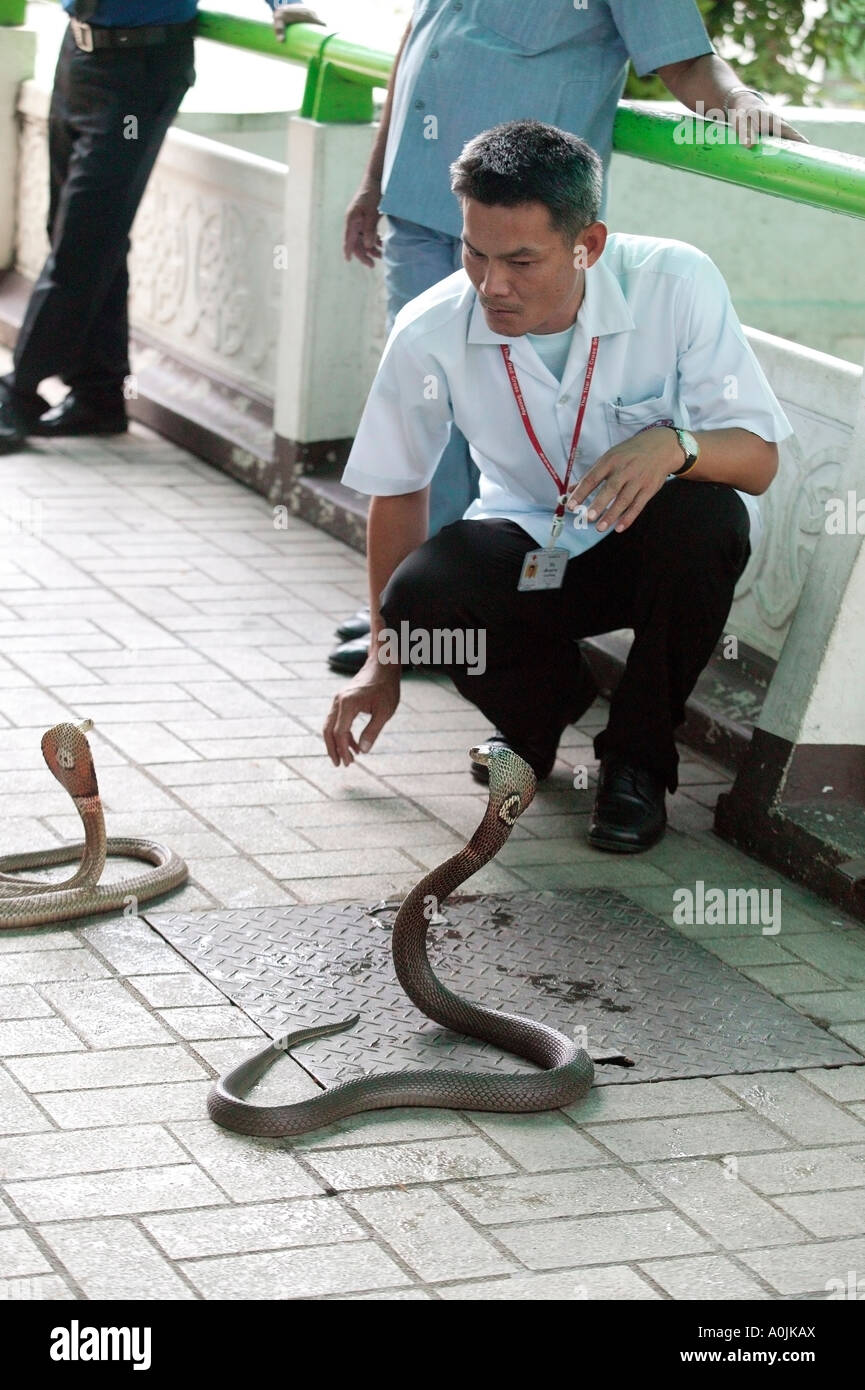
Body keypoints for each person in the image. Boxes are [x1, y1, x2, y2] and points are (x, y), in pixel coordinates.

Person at [324, 120, 792, 853]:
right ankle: (539, 720)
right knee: (423, 595)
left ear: (588, 245)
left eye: (520, 261)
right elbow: (398, 490)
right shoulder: (430, 328)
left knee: (709, 520)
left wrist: (673, 447)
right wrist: (384, 663)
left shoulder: (675, 283)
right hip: (528, 544)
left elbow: (758, 460)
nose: (492, 285)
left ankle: (636, 762)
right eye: (474, 253)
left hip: (647, 548)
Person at [331, 0, 805, 674]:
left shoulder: (669, 280)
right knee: (426, 427)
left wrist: (740, 104)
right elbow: (418, 42)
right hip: (421, 210)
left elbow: (685, 56)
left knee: (527, 429)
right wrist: (373, 181)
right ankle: (410, 619)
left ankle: (475, 633)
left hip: (532, 232)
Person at [0, 1, 322, 454]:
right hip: (77, 51)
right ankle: (98, 393)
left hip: (140, 69)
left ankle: (17, 392)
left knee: (83, 240)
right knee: (76, 230)